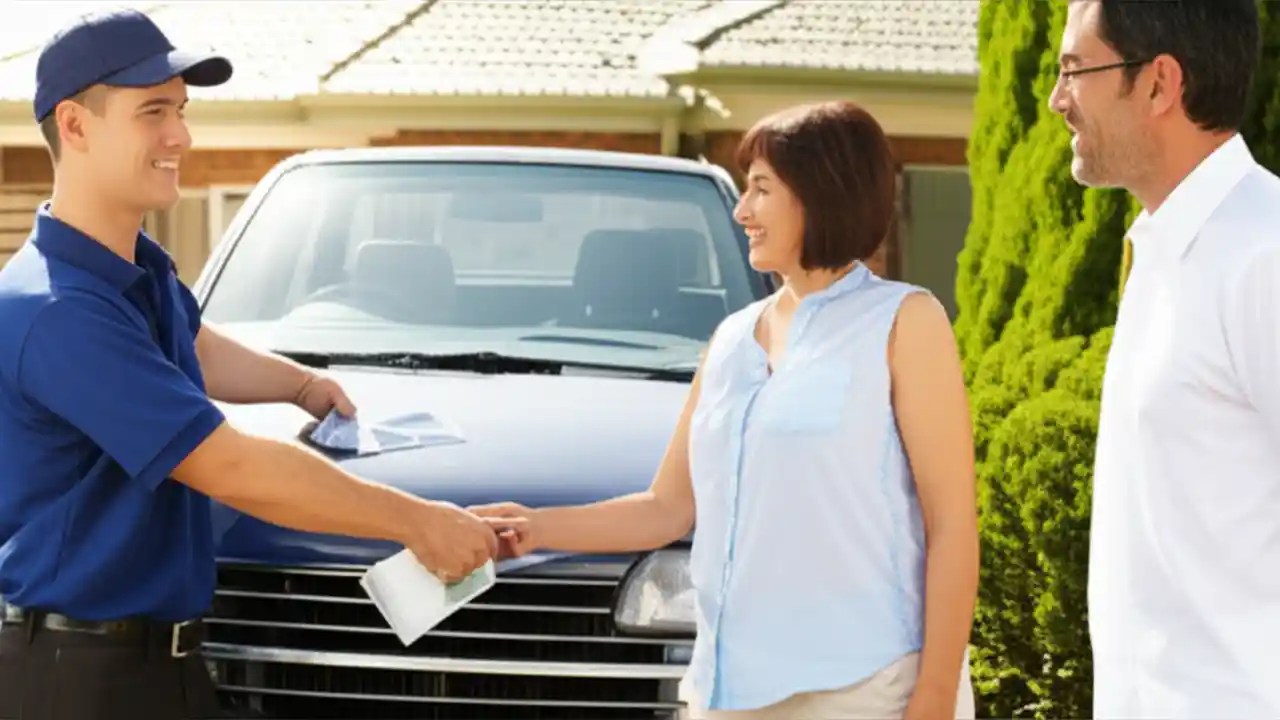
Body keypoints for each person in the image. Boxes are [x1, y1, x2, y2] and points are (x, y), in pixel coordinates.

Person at [0, 10, 502, 719]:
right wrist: (418, 522)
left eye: (180, 110)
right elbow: (227, 466)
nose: (181, 135)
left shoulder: (134, 272)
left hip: (159, 665)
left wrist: (298, 384)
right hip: (77, 680)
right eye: (152, 112)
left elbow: (193, 346)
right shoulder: (58, 309)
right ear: (76, 127)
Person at [473, 100, 979, 720]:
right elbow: (666, 509)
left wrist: (934, 697)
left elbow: (951, 524)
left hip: (866, 687)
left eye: (761, 190)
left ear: (821, 194)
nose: (742, 211)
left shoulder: (904, 321)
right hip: (725, 690)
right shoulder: (731, 340)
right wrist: (535, 528)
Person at [1049, 1, 1280, 717]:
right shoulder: (1164, 248)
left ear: (1158, 84)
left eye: (1074, 71)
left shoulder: (1263, 256)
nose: (1058, 101)